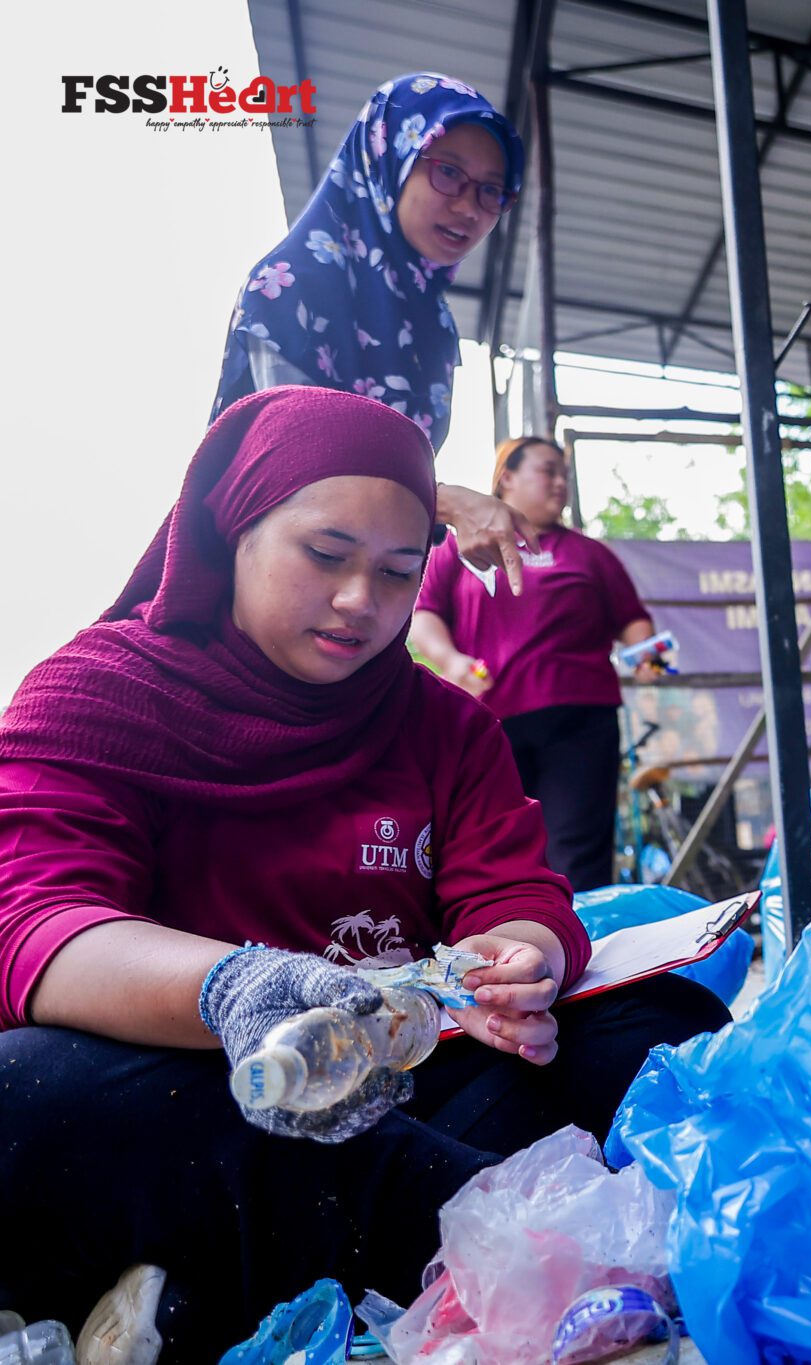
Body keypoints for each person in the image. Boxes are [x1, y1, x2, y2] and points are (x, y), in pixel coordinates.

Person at [0, 389, 729, 1358]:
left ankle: (250, 1282)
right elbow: (36, 923)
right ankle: (522, 1244)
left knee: (647, 1022)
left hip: (396, 1078)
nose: (361, 602)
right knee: (36, 1085)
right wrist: (237, 990)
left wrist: (516, 961)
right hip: (208, 1088)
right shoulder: (98, 694)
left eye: (395, 572)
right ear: (232, 534)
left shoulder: (440, 723)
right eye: (325, 555)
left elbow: (512, 891)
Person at [212, 71, 542, 595]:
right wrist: (447, 501)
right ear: (389, 157)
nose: (469, 208)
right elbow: (300, 464)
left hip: (366, 598)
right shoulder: (293, 283)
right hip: (260, 596)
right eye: (448, 173)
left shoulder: (432, 326)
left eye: (491, 191)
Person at [412, 436, 664, 891]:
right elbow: (423, 614)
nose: (560, 482)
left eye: (565, 474)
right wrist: (451, 661)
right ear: (507, 476)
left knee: (576, 852)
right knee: (492, 848)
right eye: (548, 470)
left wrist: (650, 659)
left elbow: (633, 624)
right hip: (487, 724)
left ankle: (582, 950)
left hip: (580, 724)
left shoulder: (591, 554)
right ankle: (500, 949)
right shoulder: (458, 548)